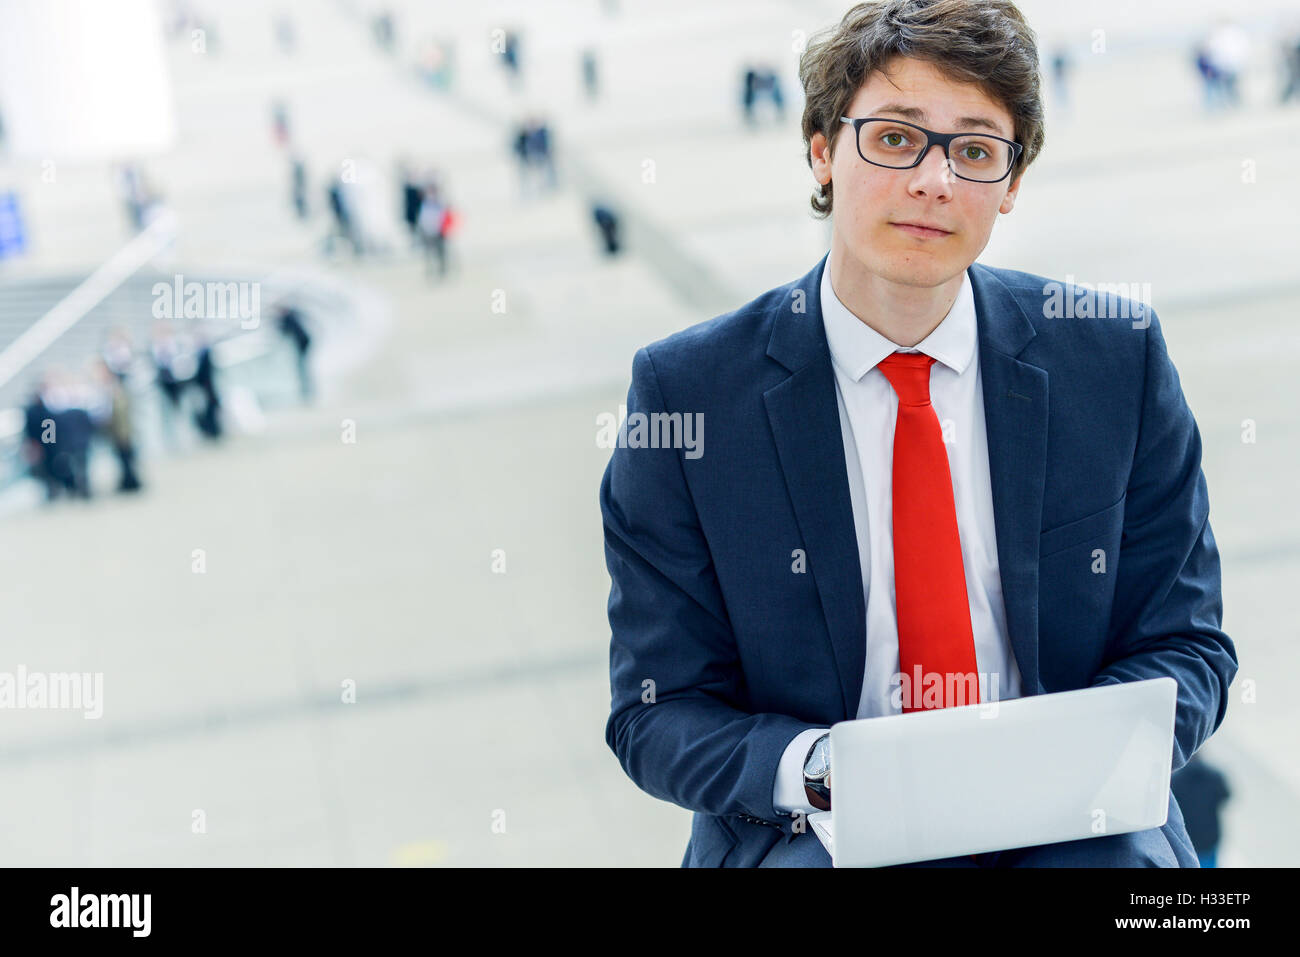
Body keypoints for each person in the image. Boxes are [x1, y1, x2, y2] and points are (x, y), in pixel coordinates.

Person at [600, 0, 1237, 869]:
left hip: (1073, 822)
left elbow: (1188, 643)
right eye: (896, 138)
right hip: (818, 830)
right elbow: (656, 709)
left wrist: (1078, 758)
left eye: (975, 150)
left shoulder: (1113, 360)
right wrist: (821, 772)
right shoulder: (689, 396)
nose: (935, 181)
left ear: (1010, 185)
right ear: (823, 149)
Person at [1171, 753, 1231, 867]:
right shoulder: (1214, 776)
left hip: (1188, 835)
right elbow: (1226, 796)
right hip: (1209, 835)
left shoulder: (1176, 780)